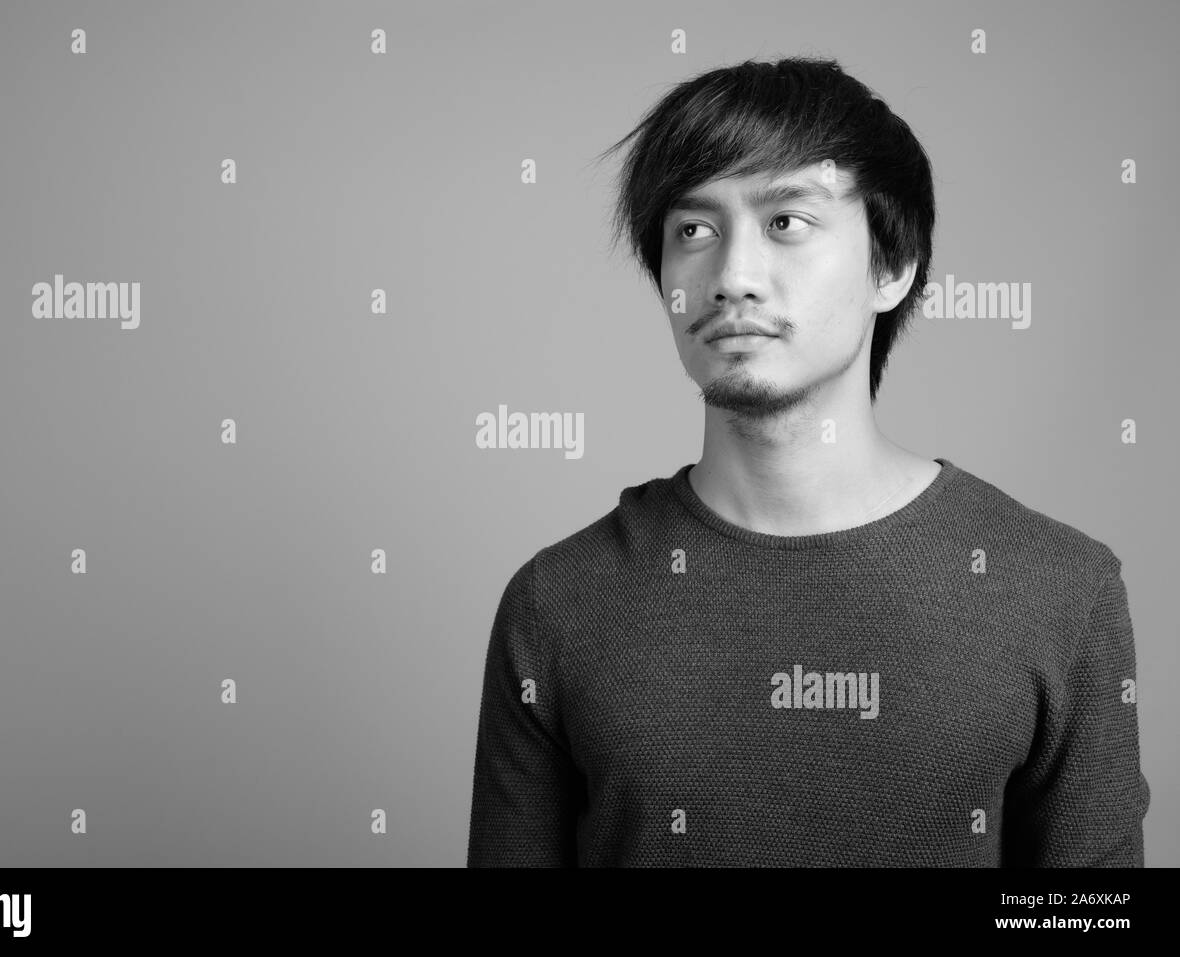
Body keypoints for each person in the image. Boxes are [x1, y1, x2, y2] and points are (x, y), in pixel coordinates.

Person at [466, 56, 1149, 867]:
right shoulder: (557, 604)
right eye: (694, 230)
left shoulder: (1061, 589)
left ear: (890, 268)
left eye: (786, 221)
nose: (733, 277)